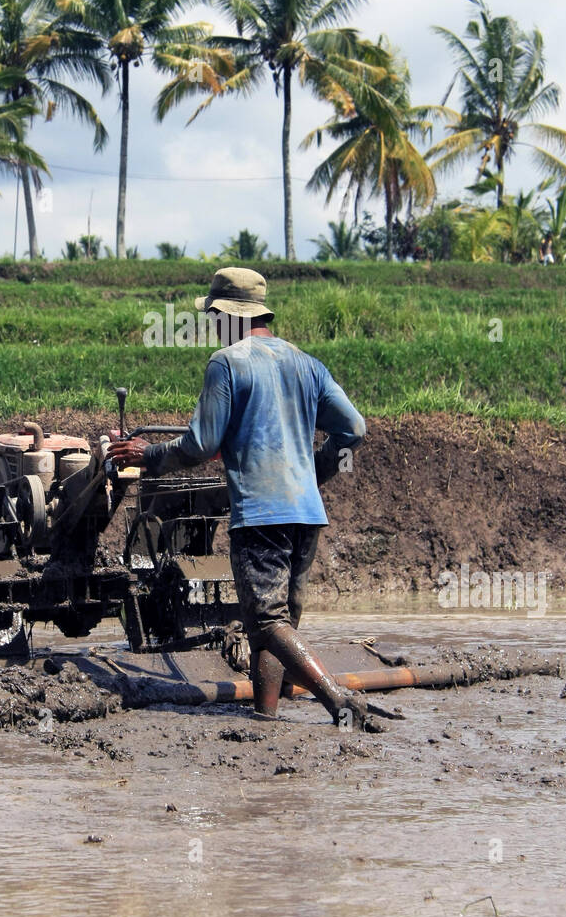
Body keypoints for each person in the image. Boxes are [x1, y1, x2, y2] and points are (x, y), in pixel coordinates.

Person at [108, 266, 370, 730]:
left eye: (213, 316)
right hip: (307, 514)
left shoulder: (227, 363)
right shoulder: (308, 364)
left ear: (228, 316)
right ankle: (265, 716)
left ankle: (338, 701)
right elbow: (353, 428)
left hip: (260, 515)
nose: (210, 325)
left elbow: (200, 444)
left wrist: (148, 455)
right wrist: (314, 470)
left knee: (268, 621)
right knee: (275, 621)